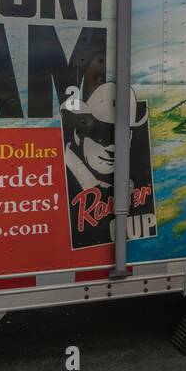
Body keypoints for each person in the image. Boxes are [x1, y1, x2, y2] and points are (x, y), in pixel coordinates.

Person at [61, 82, 149, 248]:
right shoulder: (65, 178)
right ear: (79, 135)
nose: (113, 148)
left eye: (123, 136)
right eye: (103, 136)